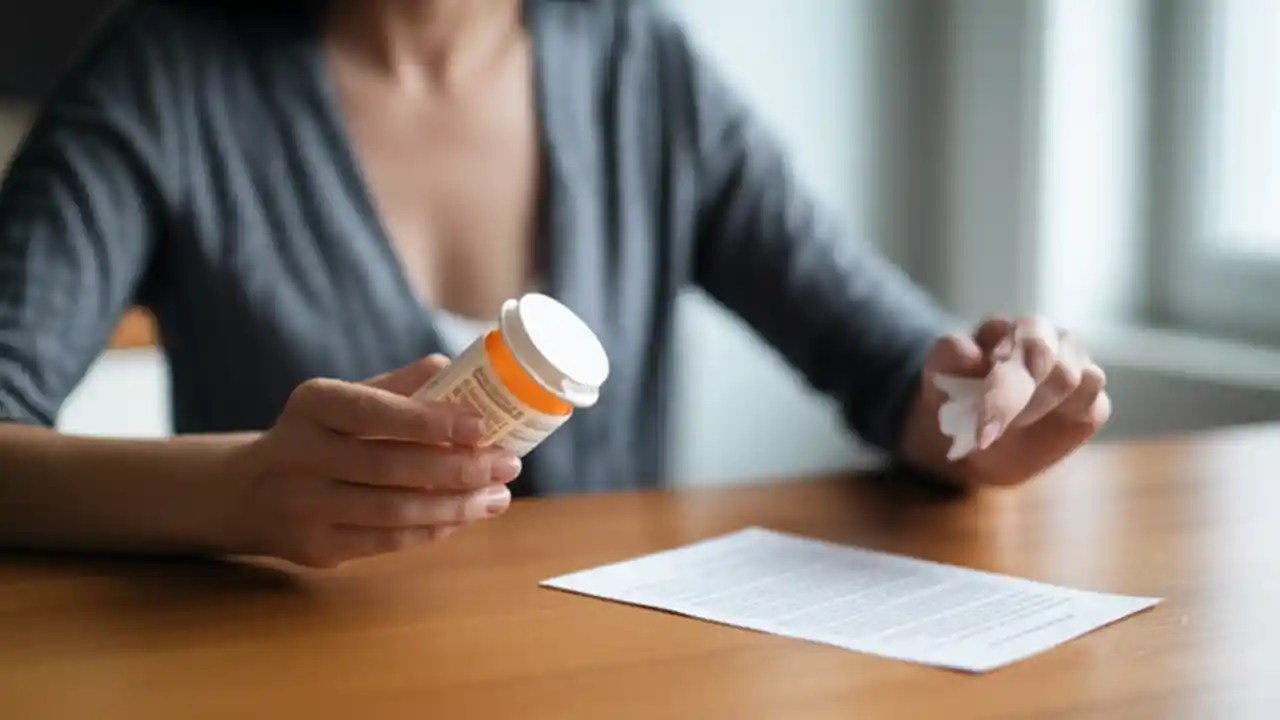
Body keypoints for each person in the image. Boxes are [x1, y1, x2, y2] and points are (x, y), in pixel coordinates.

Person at [0, 0, 1110, 568]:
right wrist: (238, 494)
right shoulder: (163, 73)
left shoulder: (639, 65)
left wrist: (989, 415)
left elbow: (891, 367)